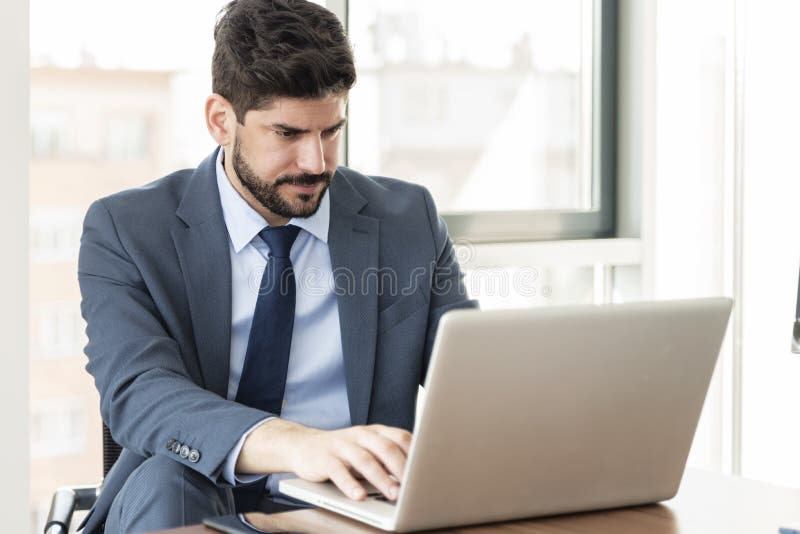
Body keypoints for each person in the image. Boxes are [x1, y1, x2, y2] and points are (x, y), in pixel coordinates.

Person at [77, 0, 476, 532]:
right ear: (221, 120)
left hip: (351, 505)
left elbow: (469, 375)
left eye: (331, 131)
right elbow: (139, 392)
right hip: (194, 494)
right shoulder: (127, 228)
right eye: (287, 134)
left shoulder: (408, 219)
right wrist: (298, 445)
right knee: (167, 488)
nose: (316, 163)